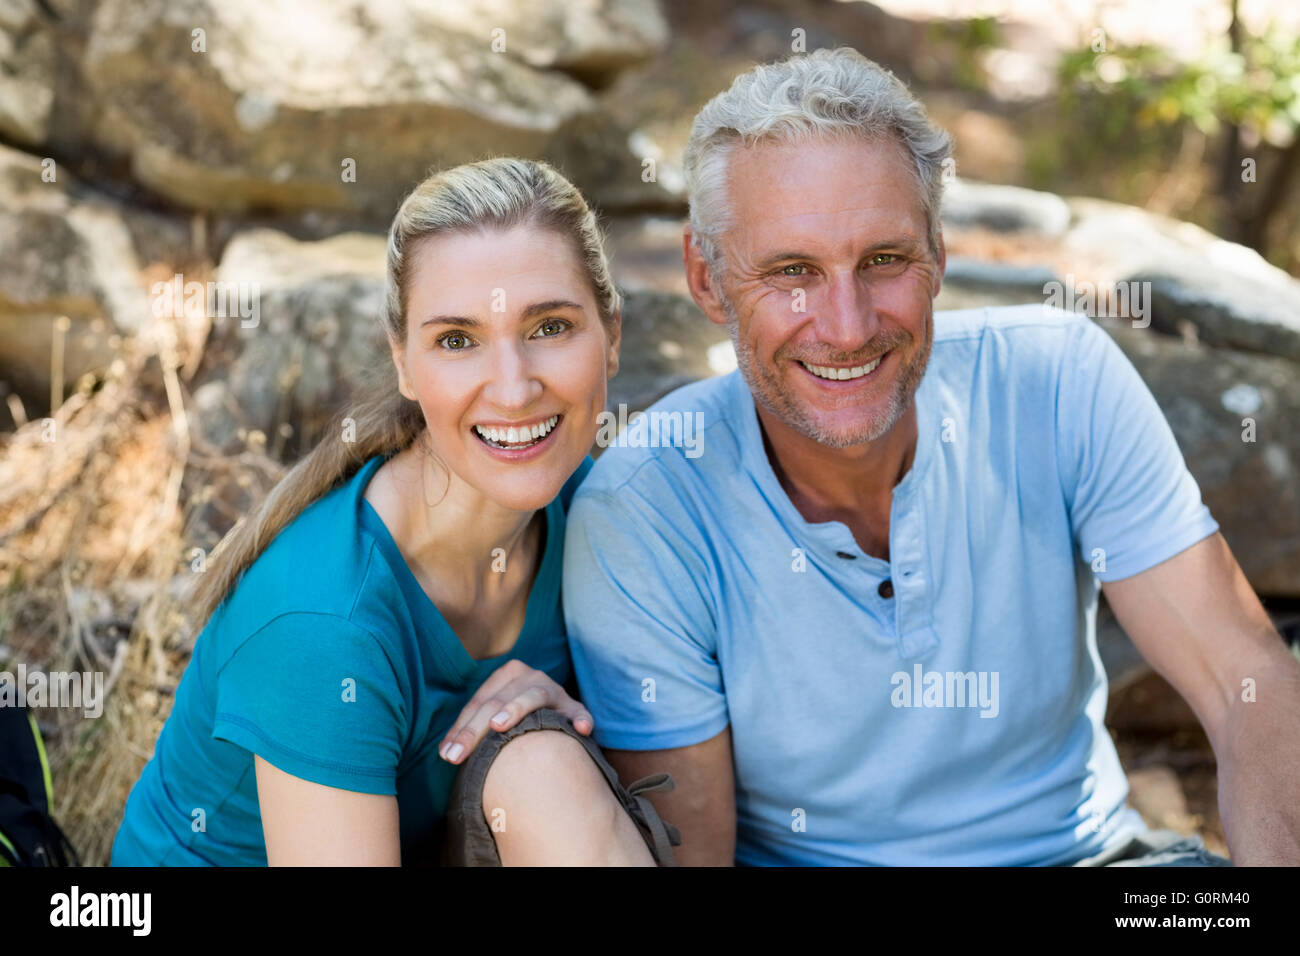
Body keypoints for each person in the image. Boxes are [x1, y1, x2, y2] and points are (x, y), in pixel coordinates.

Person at [562, 47, 1300, 866]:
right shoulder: (643, 506)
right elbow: (694, 854)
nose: (846, 326)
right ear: (707, 279)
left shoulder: (1057, 380)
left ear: (939, 255)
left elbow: (1250, 686)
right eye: (791, 272)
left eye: (883, 261)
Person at [112, 157, 678, 866]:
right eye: (456, 340)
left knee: (543, 770)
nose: (512, 389)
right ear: (405, 363)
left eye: (549, 327)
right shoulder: (323, 621)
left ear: (613, 335)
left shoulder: (584, 509)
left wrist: (558, 718)